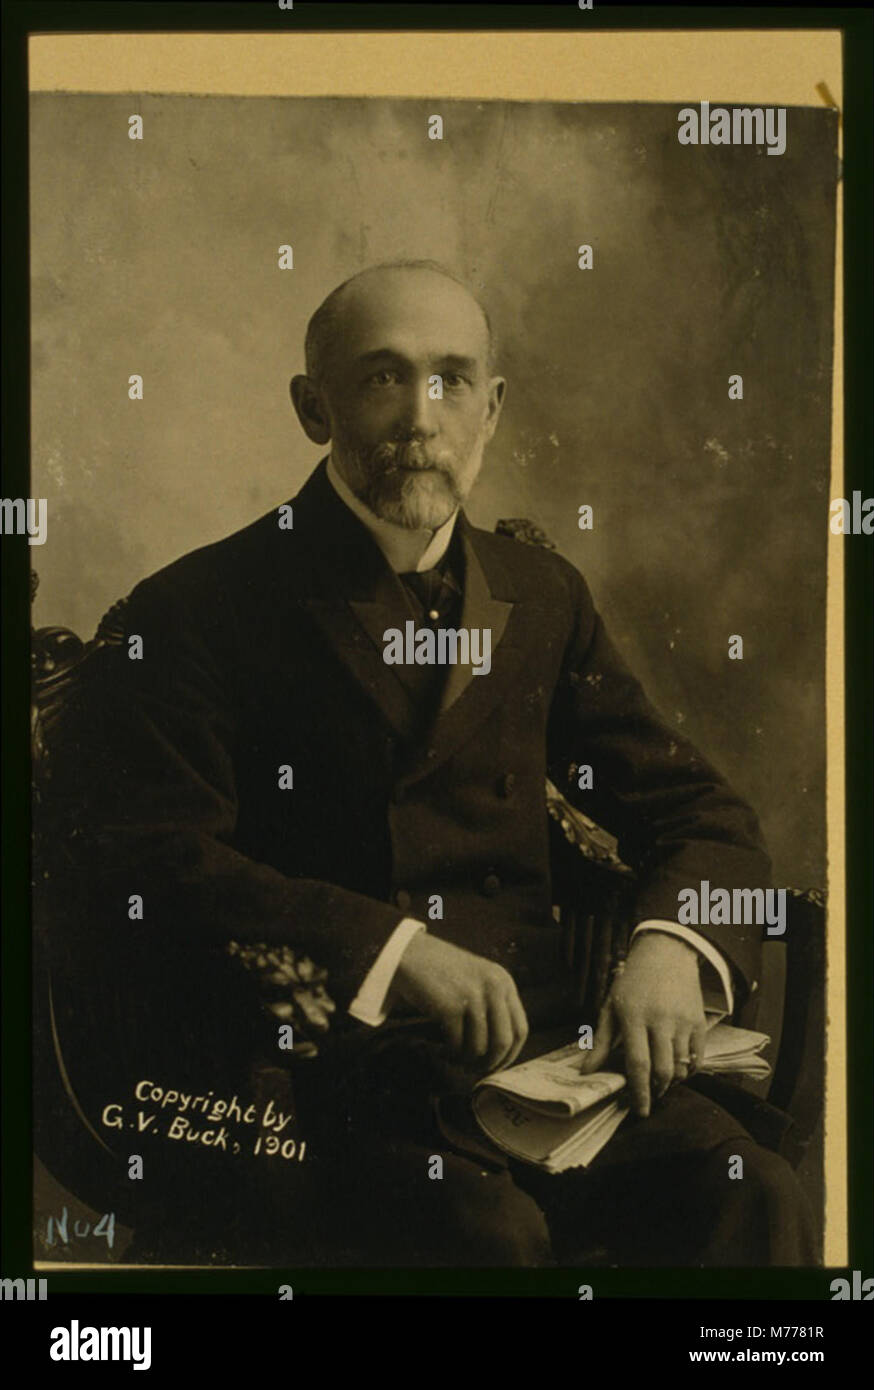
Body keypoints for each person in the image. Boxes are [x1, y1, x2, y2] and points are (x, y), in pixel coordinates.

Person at [50, 259, 816, 1266]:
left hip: (542, 1063)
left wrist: (672, 947)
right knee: (483, 1240)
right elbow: (144, 857)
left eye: (453, 379)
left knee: (748, 1193)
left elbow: (700, 811)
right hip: (311, 1078)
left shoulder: (542, 594)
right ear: (311, 407)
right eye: (382, 378)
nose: (422, 413)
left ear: (492, 410)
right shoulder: (199, 608)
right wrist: (391, 949)